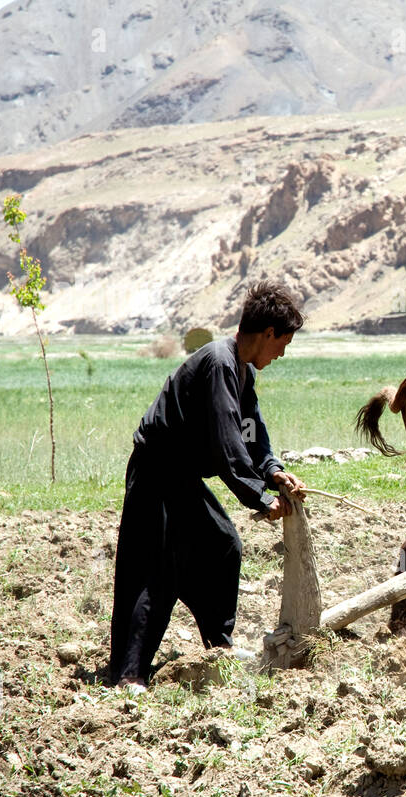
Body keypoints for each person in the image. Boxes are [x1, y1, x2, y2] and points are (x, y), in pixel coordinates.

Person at [108, 280, 308, 690]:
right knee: (155, 571)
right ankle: (129, 675)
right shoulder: (219, 362)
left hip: (179, 477)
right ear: (267, 333)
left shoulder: (241, 373)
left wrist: (272, 471)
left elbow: (251, 435)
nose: (282, 353)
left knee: (223, 546)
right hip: (155, 472)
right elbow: (226, 443)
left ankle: (218, 646)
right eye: (282, 343)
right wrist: (259, 497)